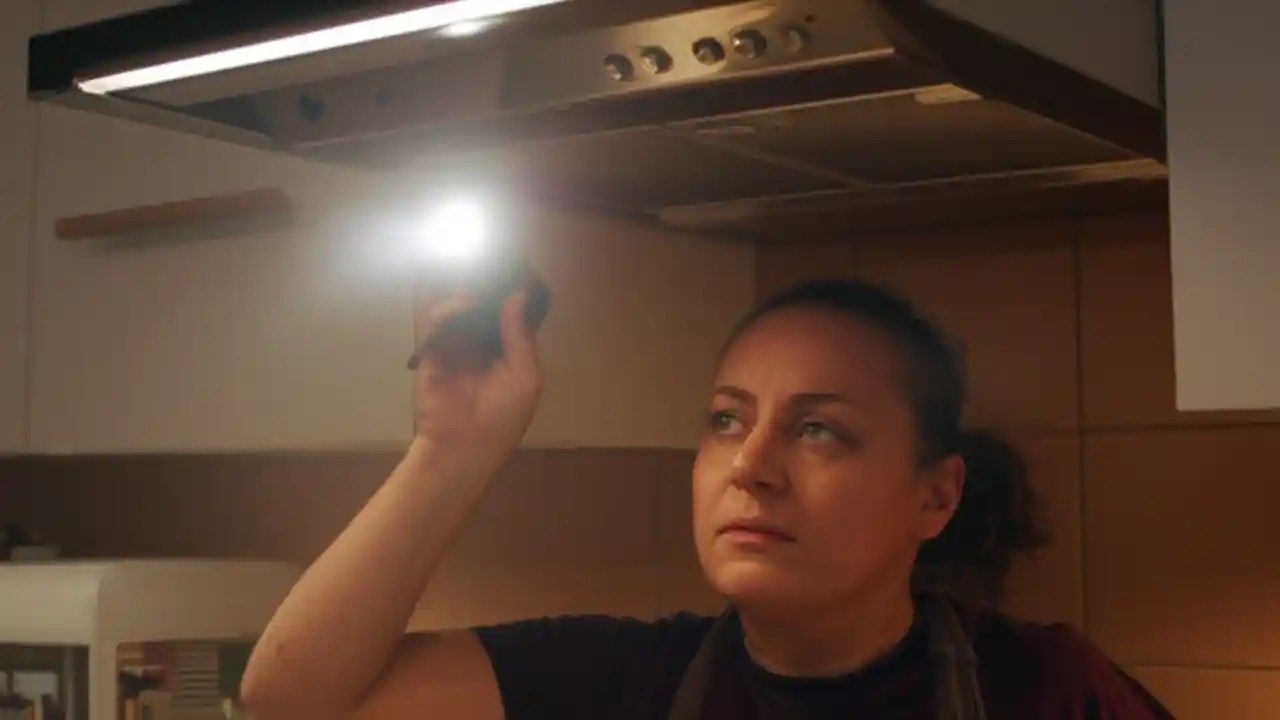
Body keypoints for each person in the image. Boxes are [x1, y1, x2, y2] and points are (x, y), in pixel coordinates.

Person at [240, 278, 1176, 719]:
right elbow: (293, 699)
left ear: (935, 497)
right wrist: (454, 446)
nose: (752, 466)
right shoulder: (621, 684)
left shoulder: (1049, 690)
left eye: (818, 430)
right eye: (728, 420)